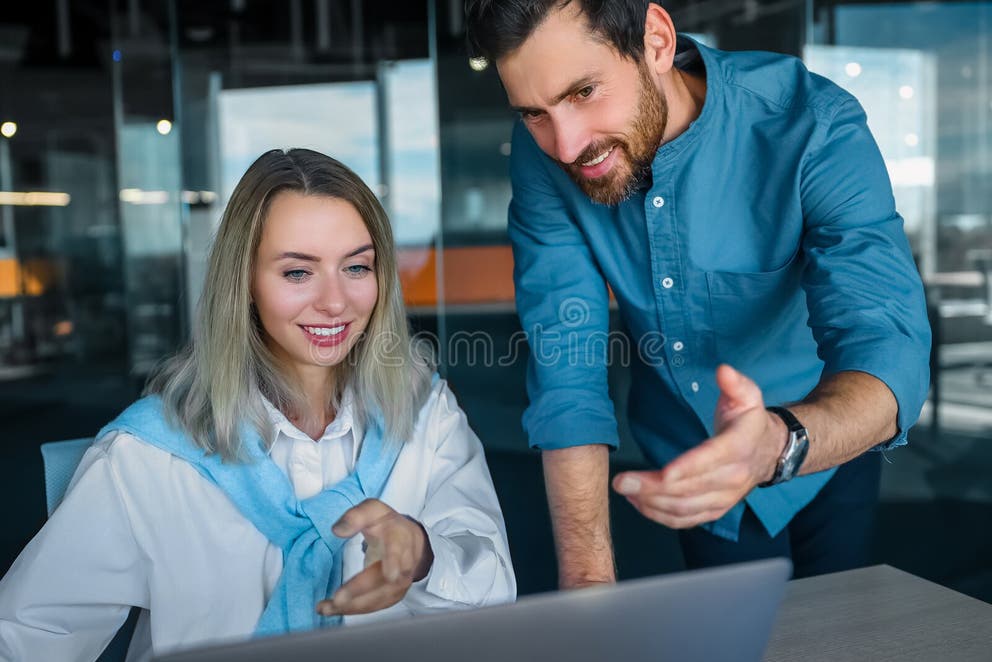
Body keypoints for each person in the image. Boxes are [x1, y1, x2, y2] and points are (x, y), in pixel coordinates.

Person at [464, 0, 930, 587]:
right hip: (690, 451)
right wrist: (587, 586)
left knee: (842, 631)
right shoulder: (545, 158)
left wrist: (778, 445)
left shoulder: (813, 122)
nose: (564, 145)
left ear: (656, 41)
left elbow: (885, 339)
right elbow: (568, 362)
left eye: (584, 91)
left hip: (829, 432)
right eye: (534, 112)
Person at [0, 148, 516, 660]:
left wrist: (424, 555)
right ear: (244, 282)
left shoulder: (426, 413)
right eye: (298, 272)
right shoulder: (148, 457)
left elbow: (495, 592)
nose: (336, 301)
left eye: (357, 267)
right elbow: (29, 637)